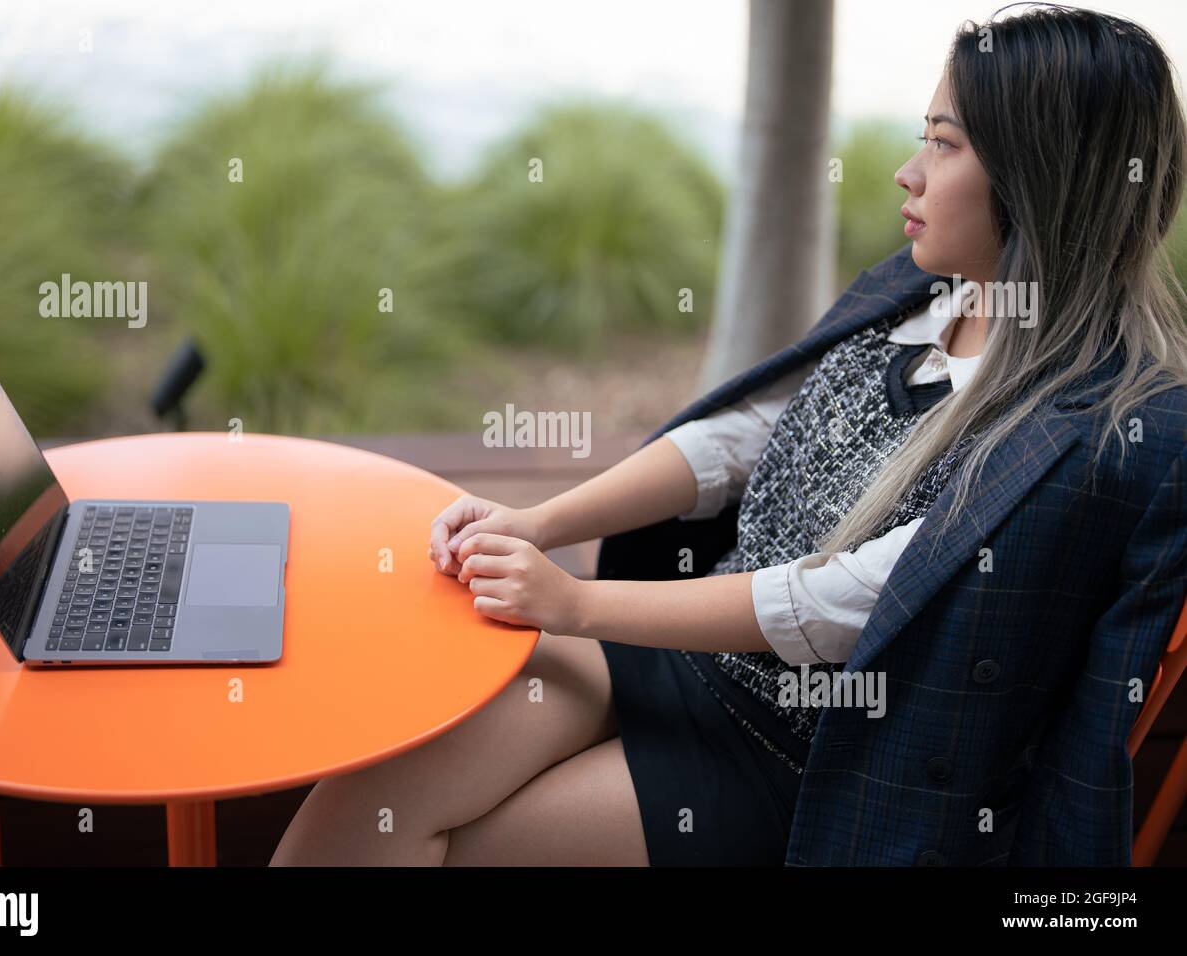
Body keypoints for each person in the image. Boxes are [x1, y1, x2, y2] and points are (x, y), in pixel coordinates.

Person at [272, 4, 1187, 866]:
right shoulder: (927, 296)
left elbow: (840, 603)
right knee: (364, 805)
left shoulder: (1092, 432)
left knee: (451, 849)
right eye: (923, 135)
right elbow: (741, 439)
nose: (908, 173)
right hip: (688, 653)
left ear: (1038, 180)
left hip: (806, 760)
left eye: (944, 146)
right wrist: (537, 524)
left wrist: (577, 605)